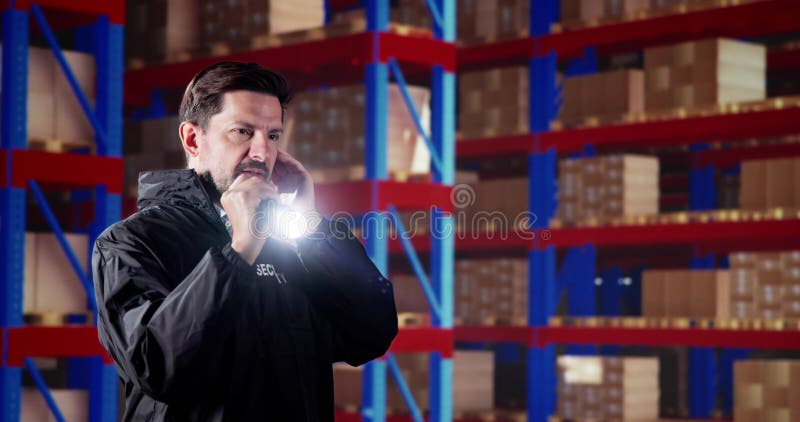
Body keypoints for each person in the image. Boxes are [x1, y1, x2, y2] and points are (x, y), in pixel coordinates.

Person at [92, 61, 398, 421]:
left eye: (272, 136)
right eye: (242, 131)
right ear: (193, 139)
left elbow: (371, 334)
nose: (261, 152)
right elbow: (156, 367)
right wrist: (241, 250)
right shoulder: (131, 244)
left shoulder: (294, 245)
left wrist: (312, 224)